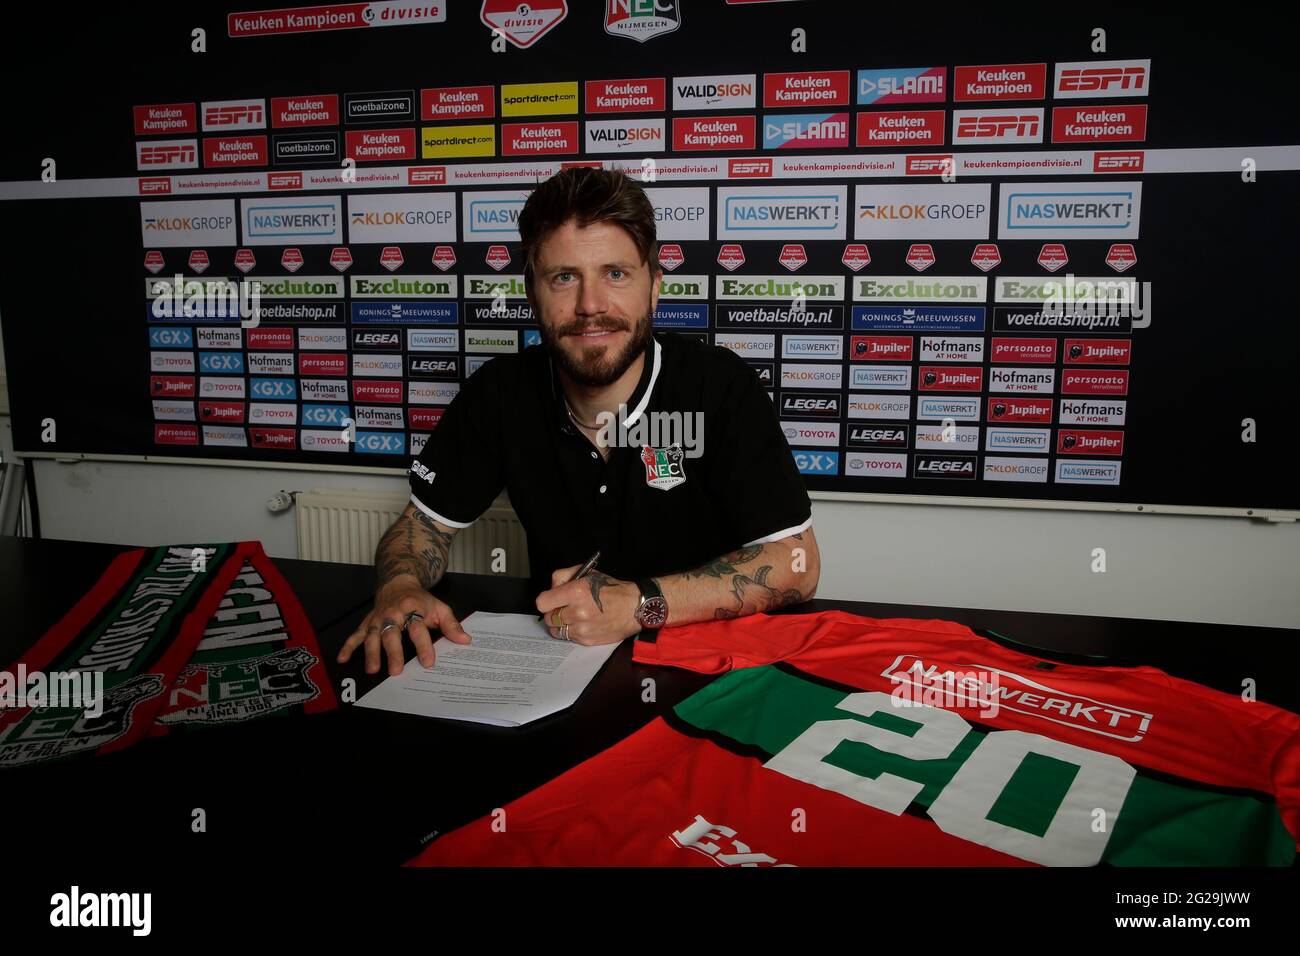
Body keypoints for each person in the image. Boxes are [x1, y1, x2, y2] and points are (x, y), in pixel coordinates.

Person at [338, 167, 820, 675]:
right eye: (564, 277)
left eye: (615, 274)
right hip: (560, 662)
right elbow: (421, 528)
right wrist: (400, 586)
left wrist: (639, 604)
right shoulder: (500, 391)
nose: (591, 306)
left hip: (709, 668)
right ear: (532, 293)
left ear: (654, 287)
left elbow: (798, 565)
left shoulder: (719, 385)